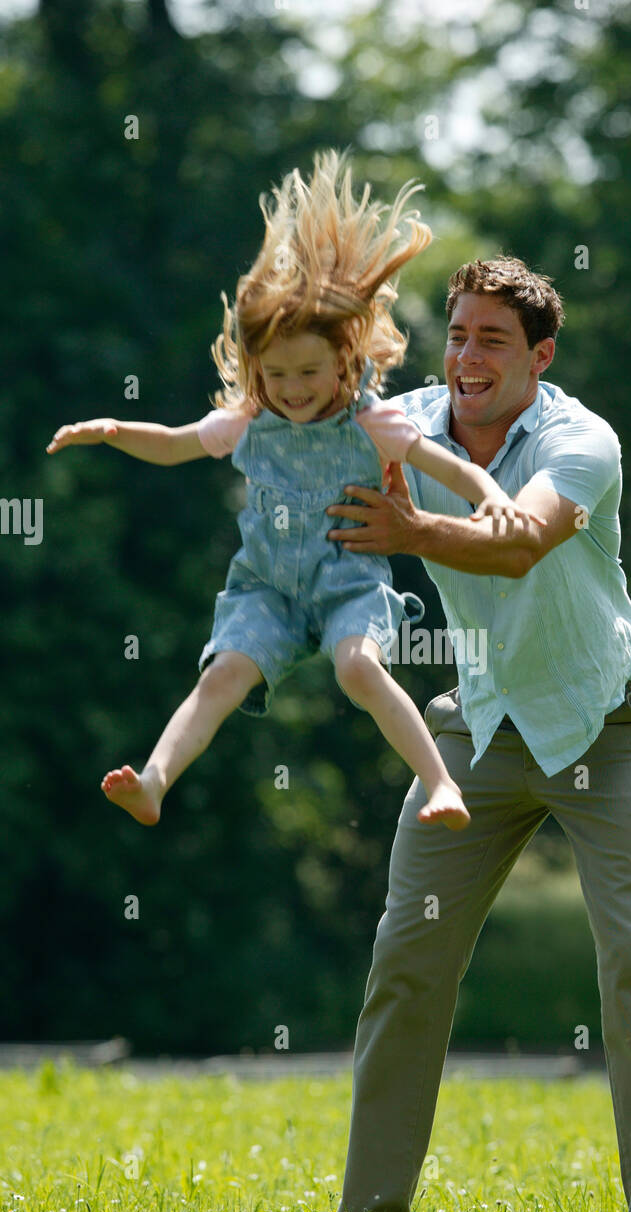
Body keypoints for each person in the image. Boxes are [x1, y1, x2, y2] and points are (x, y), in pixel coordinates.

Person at [326, 256, 631, 1212]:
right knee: (406, 957)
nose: (466, 357)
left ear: (539, 356)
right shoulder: (407, 418)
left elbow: (518, 541)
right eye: (456, 335)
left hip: (607, 728)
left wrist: (409, 528)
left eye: (491, 340)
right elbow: (300, 414)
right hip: (481, 728)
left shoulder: (582, 442)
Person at [46, 152, 544, 832]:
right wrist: (111, 429)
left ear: (345, 357)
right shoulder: (245, 421)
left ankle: (440, 784)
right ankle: (154, 781)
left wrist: (489, 491)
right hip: (267, 592)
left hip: (348, 582)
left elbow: (443, 464)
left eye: (309, 371)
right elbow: (170, 443)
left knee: (359, 673)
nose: (293, 389)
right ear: (256, 371)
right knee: (221, 675)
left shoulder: (370, 420)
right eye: (276, 374)